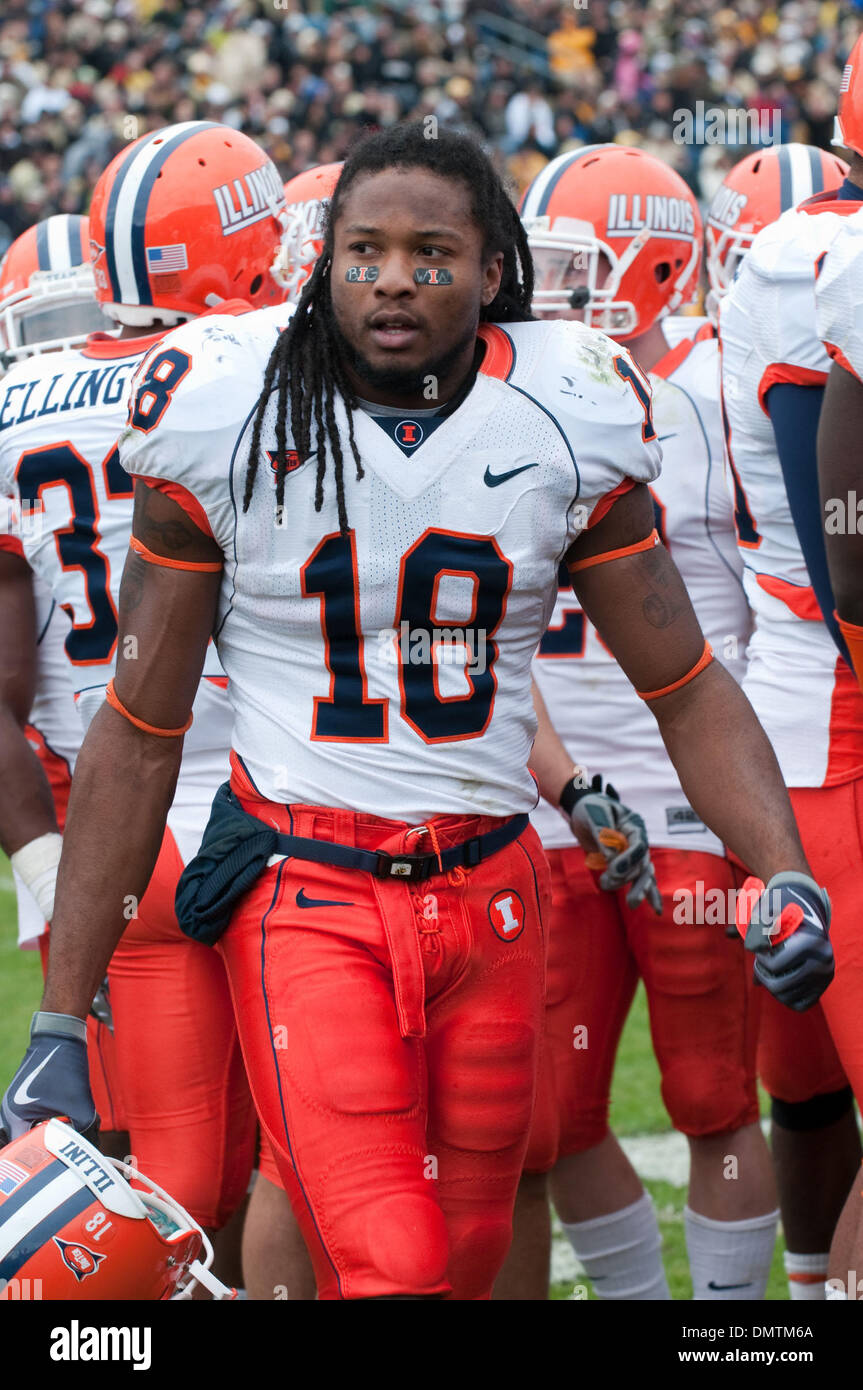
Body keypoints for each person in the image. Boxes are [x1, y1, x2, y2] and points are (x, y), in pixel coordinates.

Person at [2, 122, 832, 1302]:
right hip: (307, 891)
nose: (394, 276)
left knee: (472, 1253)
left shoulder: (567, 406)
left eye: (431, 251)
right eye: (365, 250)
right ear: (319, 263)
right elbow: (141, 730)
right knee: (392, 1256)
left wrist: (778, 868)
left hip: (493, 891)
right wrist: (63, 1012)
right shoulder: (223, 409)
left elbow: (685, 683)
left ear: (492, 270)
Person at [0, 121, 289, 1254]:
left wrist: (37, 864)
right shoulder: (270, 373)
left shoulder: (25, 402)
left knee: (159, 1183)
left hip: (109, 832)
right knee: (311, 1156)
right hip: (275, 806)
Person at [498, 143, 777, 1303]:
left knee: (711, 1094)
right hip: (552, 803)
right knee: (548, 1117)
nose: (552, 290)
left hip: (684, 806)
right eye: (542, 263)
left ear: (660, 265)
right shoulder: (492, 386)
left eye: (578, 264)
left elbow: (776, 601)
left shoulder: (717, 390)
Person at [721, 109, 863, 1299]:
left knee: (812, 1092)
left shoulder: (795, 252)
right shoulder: (830, 263)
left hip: (793, 717)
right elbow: (847, 572)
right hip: (840, 728)